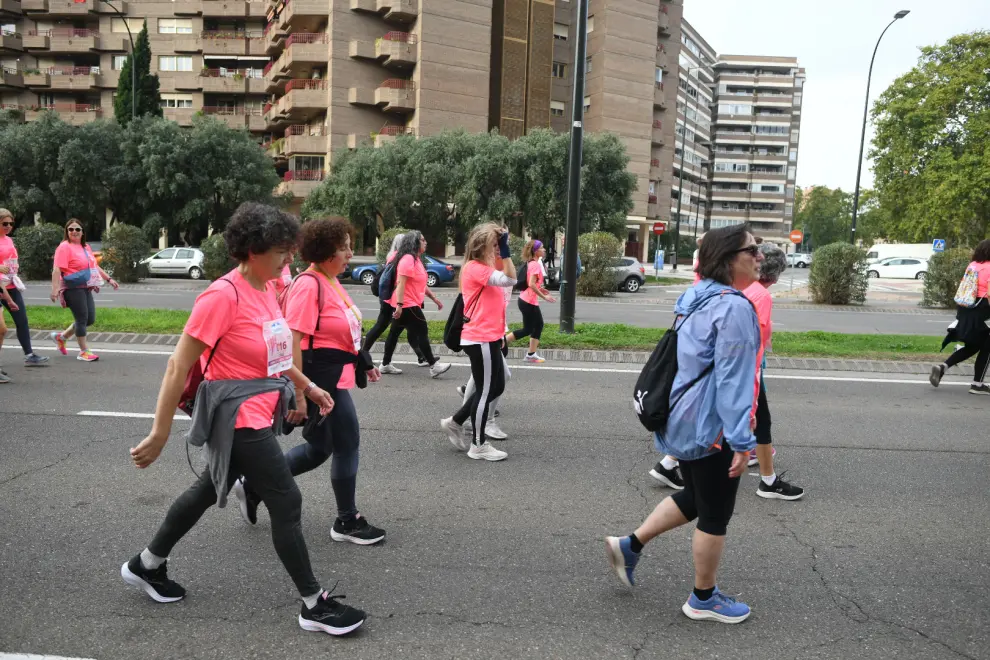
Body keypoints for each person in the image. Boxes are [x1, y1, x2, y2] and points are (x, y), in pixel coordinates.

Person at [121, 203, 366, 637]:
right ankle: (314, 604)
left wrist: (307, 386)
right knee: (287, 502)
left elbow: (274, 353)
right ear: (252, 250)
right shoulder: (222, 296)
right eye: (281, 252)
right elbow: (178, 366)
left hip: (259, 408)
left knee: (204, 491)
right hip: (235, 417)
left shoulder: (267, 289)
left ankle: (146, 563)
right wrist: (159, 433)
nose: (289, 260)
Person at [605, 224, 762, 624]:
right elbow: (732, 381)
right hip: (712, 427)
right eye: (752, 250)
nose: (759, 256)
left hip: (682, 416)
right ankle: (703, 598)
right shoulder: (736, 307)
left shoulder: (695, 294)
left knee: (695, 496)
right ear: (730, 259)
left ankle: (630, 545)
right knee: (715, 513)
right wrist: (743, 441)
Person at [232, 216, 386, 545]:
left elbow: (346, 329)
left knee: (321, 449)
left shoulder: (330, 280)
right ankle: (346, 521)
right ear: (326, 250)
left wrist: (364, 361)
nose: (349, 253)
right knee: (347, 442)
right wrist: (302, 393)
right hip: (317, 380)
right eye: (344, 247)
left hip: (333, 377)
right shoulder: (309, 284)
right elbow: (294, 340)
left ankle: (253, 485)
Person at [440, 223, 516, 461]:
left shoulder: (484, 266)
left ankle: (455, 421)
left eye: (498, 245)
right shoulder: (476, 268)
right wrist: (506, 251)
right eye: (494, 245)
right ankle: (479, 444)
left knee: (498, 385)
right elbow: (511, 279)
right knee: (485, 390)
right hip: (480, 337)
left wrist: (503, 245)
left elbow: (505, 282)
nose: (497, 249)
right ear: (483, 246)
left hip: (490, 335)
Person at [742, 243, 804, 501]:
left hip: (733, 365)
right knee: (761, 420)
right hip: (745, 368)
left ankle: (669, 463)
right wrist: (753, 381)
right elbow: (754, 339)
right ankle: (768, 482)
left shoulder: (742, 285)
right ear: (776, 274)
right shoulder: (761, 295)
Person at [381, 231, 450, 378]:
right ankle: (433, 365)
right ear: (414, 242)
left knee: (394, 333)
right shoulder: (407, 259)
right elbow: (400, 283)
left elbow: (420, 283)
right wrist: (399, 305)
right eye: (422, 240)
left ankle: (385, 364)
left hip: (407, 303)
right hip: (407, 303)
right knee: (422, 331)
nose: (425, 242)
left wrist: (434, 298)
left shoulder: (416, 259)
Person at [48, 219, 119, 362]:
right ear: (67, 232)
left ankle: (61, 337)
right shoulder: (64, 247)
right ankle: (83, 351)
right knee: (81, 319)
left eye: (77, 229)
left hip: (86, 286)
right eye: (71, 229)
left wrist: (109, 279)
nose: (74, 232)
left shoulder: (85, 247)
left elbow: (94, 266)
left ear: (82, 232)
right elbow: (57, 269)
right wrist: (55, 289)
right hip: (72, 287)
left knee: (90, 319)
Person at [361, 232, 427, 371]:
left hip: (391, 298)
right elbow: (400, 281)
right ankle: (364, 353)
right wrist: (400, 303)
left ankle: (421, 357)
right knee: (385, 326)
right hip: (392, 299)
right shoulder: (400, 257)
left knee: (403, 328)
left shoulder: (394, 255)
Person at [931, 239, 990, 394]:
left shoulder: (973, 265)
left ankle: (943, 367)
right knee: (987, 348)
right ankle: (977, 384)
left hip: (967, 309)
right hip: (984, 311)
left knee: (973, 346)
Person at [0, 209, 50, 382]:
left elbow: (11, 261)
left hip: (11, 284)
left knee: (22, 321)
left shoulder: (8, 240)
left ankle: (29, 355)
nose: (8, 227)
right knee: (1, 329)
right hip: (0, 286)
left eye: (10, 224)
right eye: (4, 224)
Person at [506, 239, 556, 363]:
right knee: (529, 328)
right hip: (527, 301)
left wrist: (541, 289)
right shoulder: (534, 264)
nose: (544, 250)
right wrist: (544, 297)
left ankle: (531, 354)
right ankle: (501, 342)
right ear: (535, 251)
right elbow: (531, 284)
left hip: (527, 300)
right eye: (542, 248)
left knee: (537, 326)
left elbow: (533, 284)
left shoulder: (532, 263)